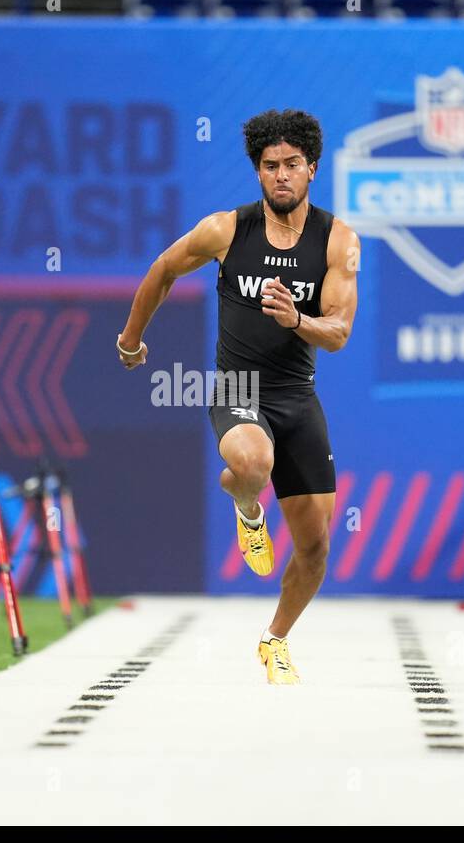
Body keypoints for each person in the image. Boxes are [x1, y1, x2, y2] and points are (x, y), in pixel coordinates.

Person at [116, 109, 360, 685]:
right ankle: (249, 508)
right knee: (252, 461)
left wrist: (296, 318)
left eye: (292, 165)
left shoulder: (338, 240)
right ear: (257, 172)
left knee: (316, 547)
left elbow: (339, 333)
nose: (282, 175)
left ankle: (274, 640)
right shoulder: (225, 231)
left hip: (297, 395)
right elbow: (163, 269)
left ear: (312, 169)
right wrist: (130, 339)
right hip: (238, 387)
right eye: (270, 166)